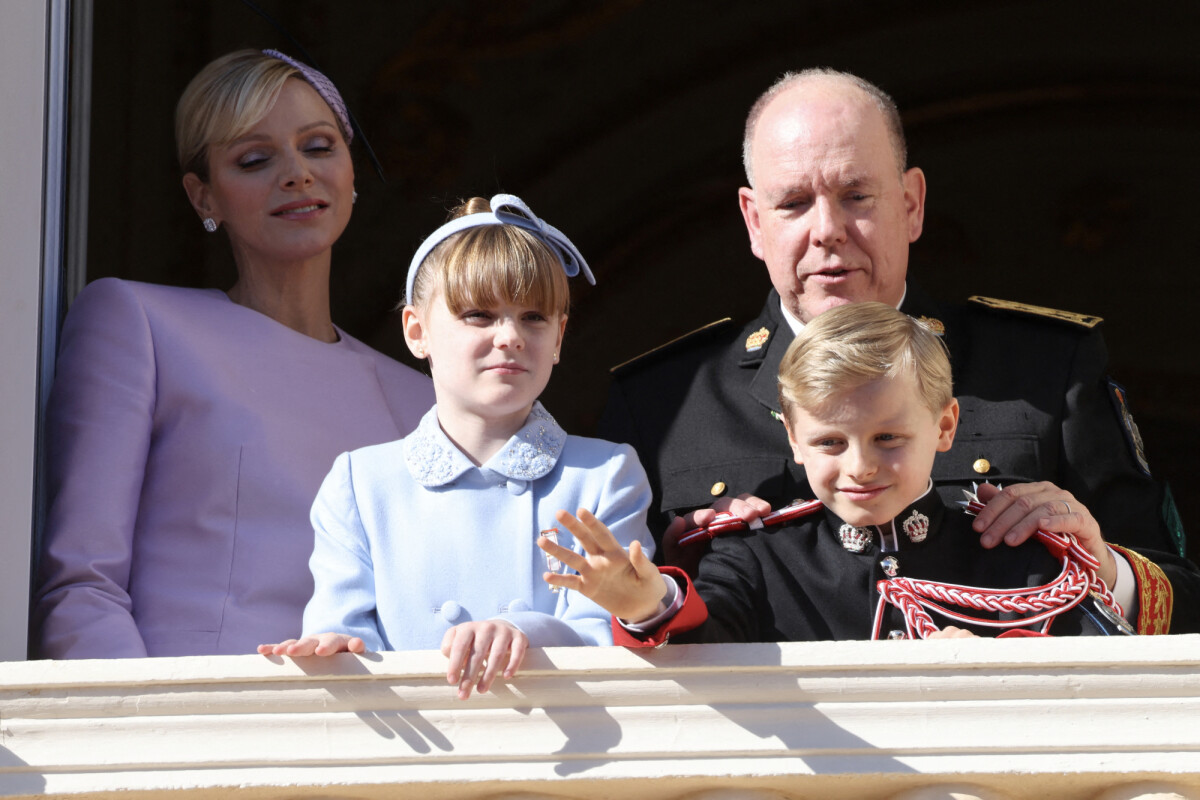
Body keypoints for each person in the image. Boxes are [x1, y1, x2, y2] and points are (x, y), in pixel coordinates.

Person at [598, 68, 1185, 564]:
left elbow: (1180, 601)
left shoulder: (1045, 368)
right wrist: (669, 576)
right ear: (755, 222)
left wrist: (1104, 564)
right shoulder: (662, 403)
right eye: (794, 203)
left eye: (856, 196)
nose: (827, 231)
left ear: (910, 205)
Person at [32, 49, 435, 659]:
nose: (297, 173)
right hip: (193, 727)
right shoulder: (138, 323)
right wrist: (151, 739)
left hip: (377, 736)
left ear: (353, 173)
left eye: (320, 146)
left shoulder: (421, 399)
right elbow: (82, 585)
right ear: (204, 198)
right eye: (254, 159)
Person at [544, 302, 1199, 643]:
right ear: (794, 440)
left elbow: (1122, 668)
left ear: (945, 428)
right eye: (831, 441)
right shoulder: (759, 559)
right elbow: (707, 631)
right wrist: (645, 603)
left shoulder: (1016, 551)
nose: (860, 466)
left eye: (889, 437)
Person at [258, 195, 654, 700]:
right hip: (422, 751)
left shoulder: (605, 472)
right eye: (479, 315)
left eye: (533, 316)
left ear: (559, 337)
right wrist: (335, 648)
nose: (510, 335)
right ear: (416, 331)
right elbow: (342, 622)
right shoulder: (361, 481)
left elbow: (614, 633)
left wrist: (524, 632)